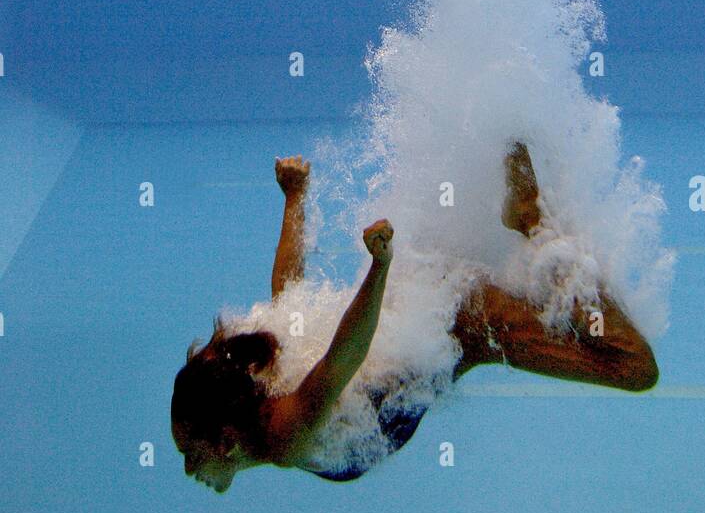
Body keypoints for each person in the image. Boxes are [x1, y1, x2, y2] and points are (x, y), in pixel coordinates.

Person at [171, 143, 658, 492]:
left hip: (466, 321)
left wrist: (379, 268)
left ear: (226, 437)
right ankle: (522, 210)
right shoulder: (264, 383)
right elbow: (288, 294)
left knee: (631, 367)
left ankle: (531, 221)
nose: (191, 469)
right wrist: (295, 198)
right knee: (611, 361)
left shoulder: (284, 437)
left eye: (191, 453)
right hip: (449, 335)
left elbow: (343, 359)